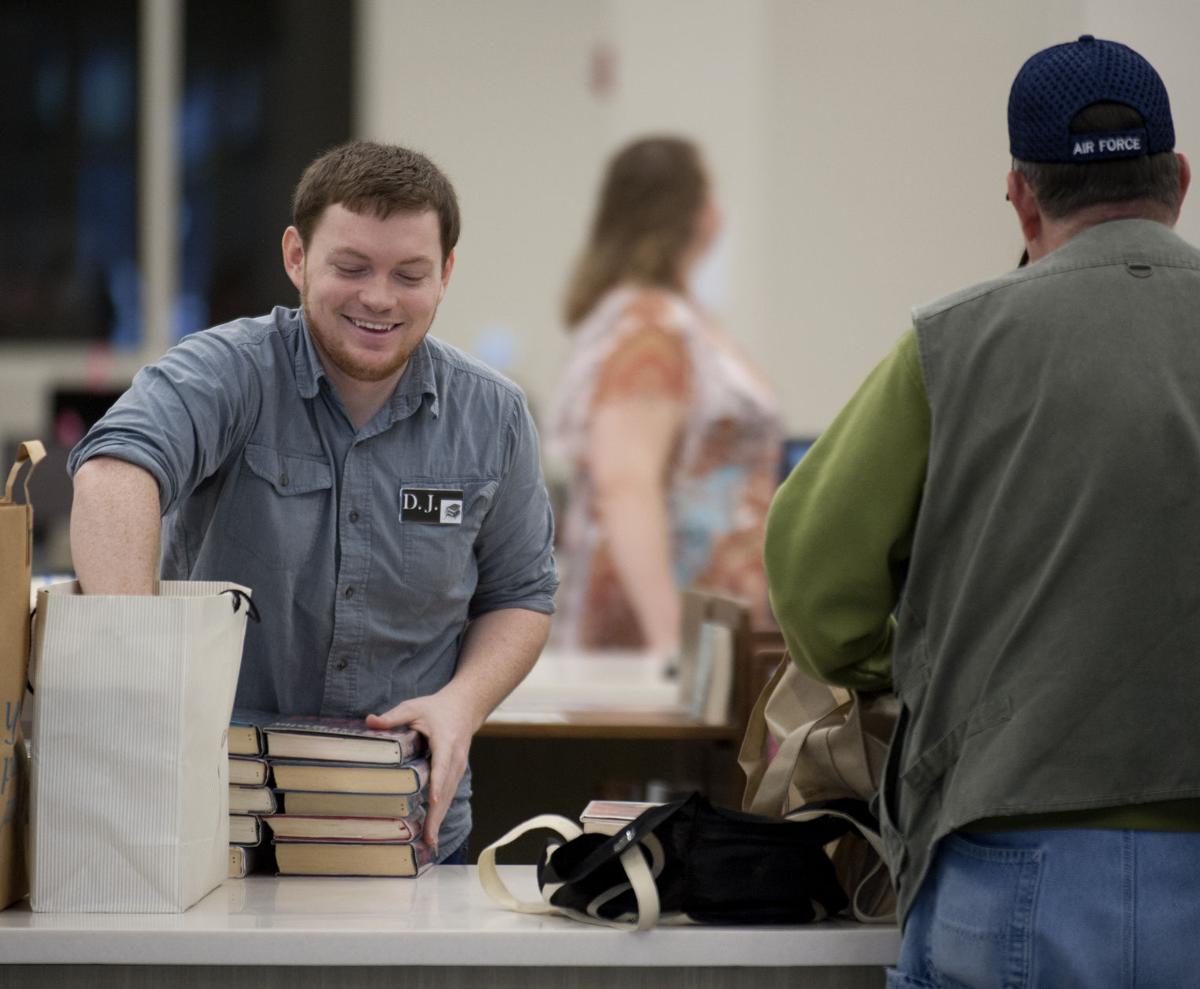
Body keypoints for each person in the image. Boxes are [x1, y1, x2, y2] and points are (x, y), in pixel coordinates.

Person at [765, 36, 1200, 985]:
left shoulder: (951, 346)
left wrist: (922, 660)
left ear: (1021, 197)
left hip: (1012, 852)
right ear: (1182, 178)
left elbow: (810, 578)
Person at [67, 141, 558, 862]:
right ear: (296, 257)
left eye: (409, 273)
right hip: (214, 824)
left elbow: (521, 595)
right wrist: (140, 666)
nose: (379, 297)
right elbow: (115, 471)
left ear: (446, 273)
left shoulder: (494, 416)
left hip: (406, 832)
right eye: (351, 267)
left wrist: (464, 701)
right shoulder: (228, 372)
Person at [549, 136, 781, 656]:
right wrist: (667, 642)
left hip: (711, 628)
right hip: (667, 638)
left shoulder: (670, 319)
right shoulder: (650, 328)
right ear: (692, 211)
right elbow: (626, 481)